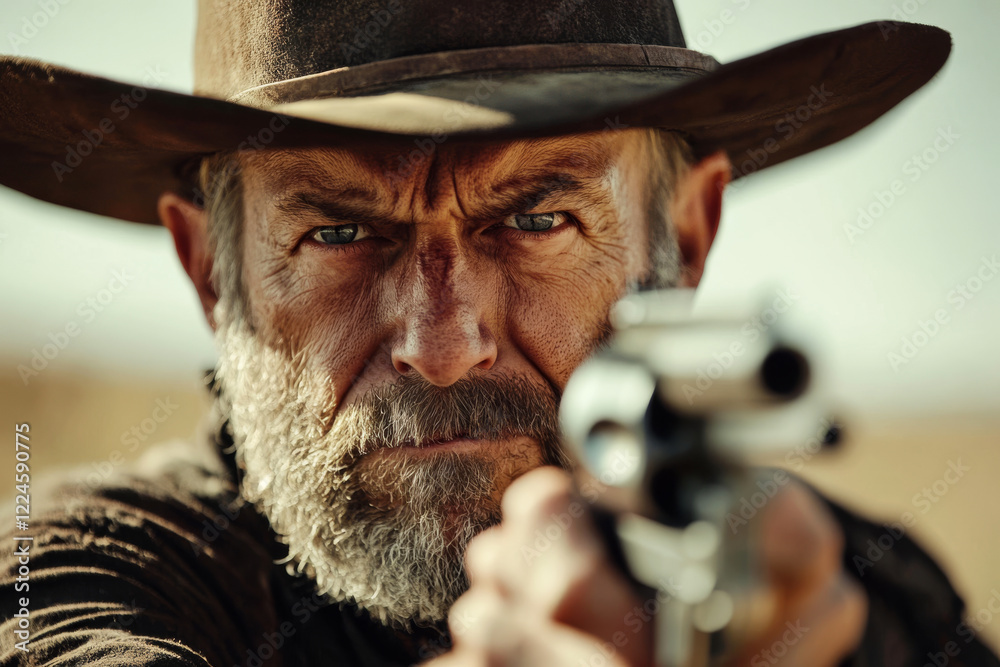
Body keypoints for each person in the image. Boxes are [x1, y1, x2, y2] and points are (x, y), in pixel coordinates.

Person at [0, 1, 995, 665]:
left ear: (682, 237)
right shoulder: (73, 577)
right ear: (212, 270)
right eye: (339, 232)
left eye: (532, 221)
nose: (441, 345)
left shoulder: (855, 595)